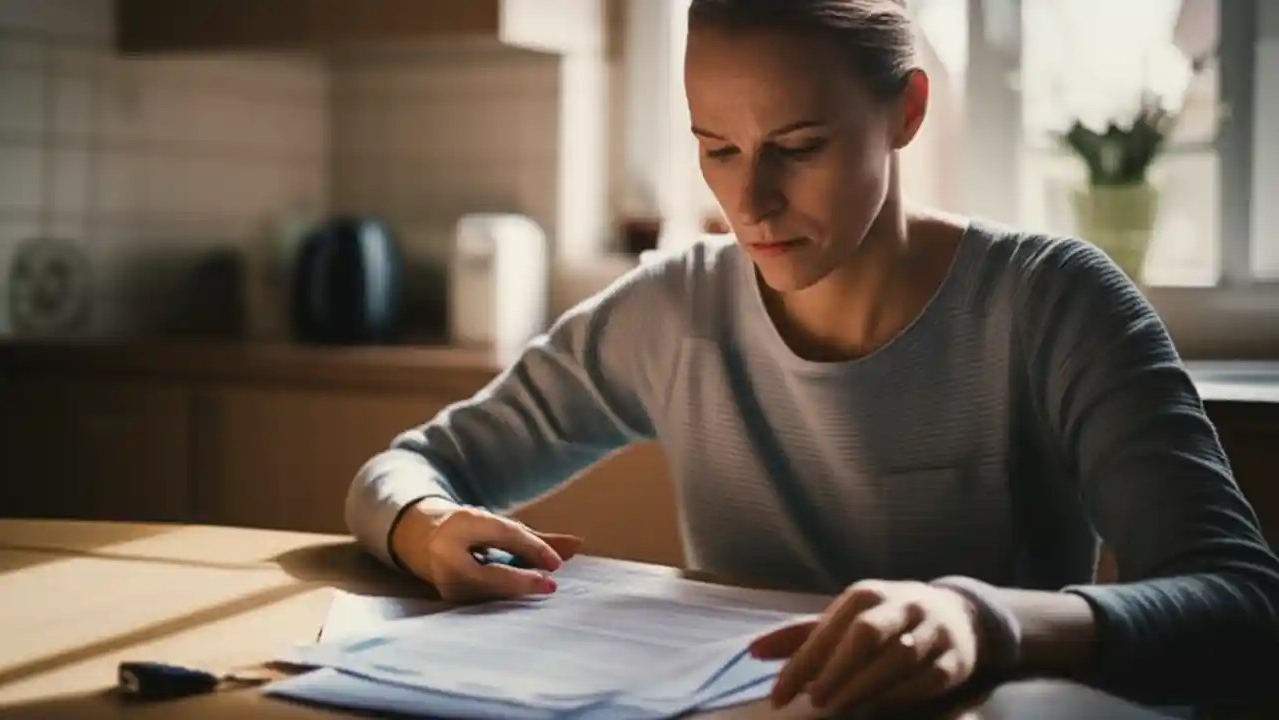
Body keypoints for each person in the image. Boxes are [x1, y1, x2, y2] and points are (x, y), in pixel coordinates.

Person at [346, 0, 1279, 714]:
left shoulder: (1054, 303)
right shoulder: (675, 309)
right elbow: (403, 468)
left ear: (906, 110)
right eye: (716, 149)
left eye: (798, 147)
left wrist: (986, 622)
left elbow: (1243, 609)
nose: (749, 202)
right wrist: (424, 526)